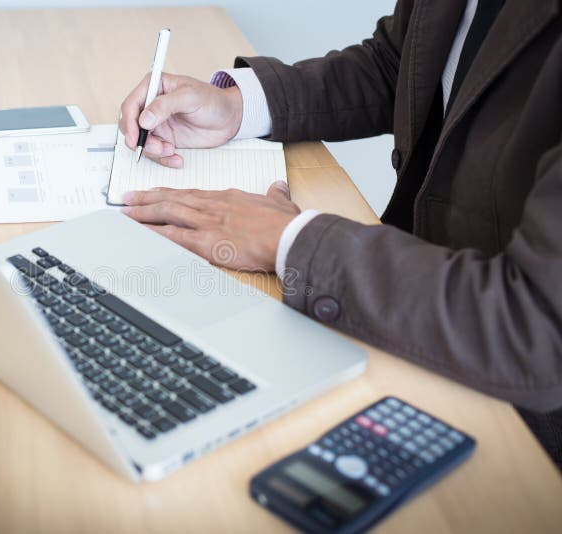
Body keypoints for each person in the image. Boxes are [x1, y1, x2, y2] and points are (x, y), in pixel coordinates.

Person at [118, 0, 562, 468]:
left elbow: (535, 326)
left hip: (515, 424)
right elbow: (398, 64)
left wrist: (289, 240)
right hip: (405, 315)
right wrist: (238, 106)